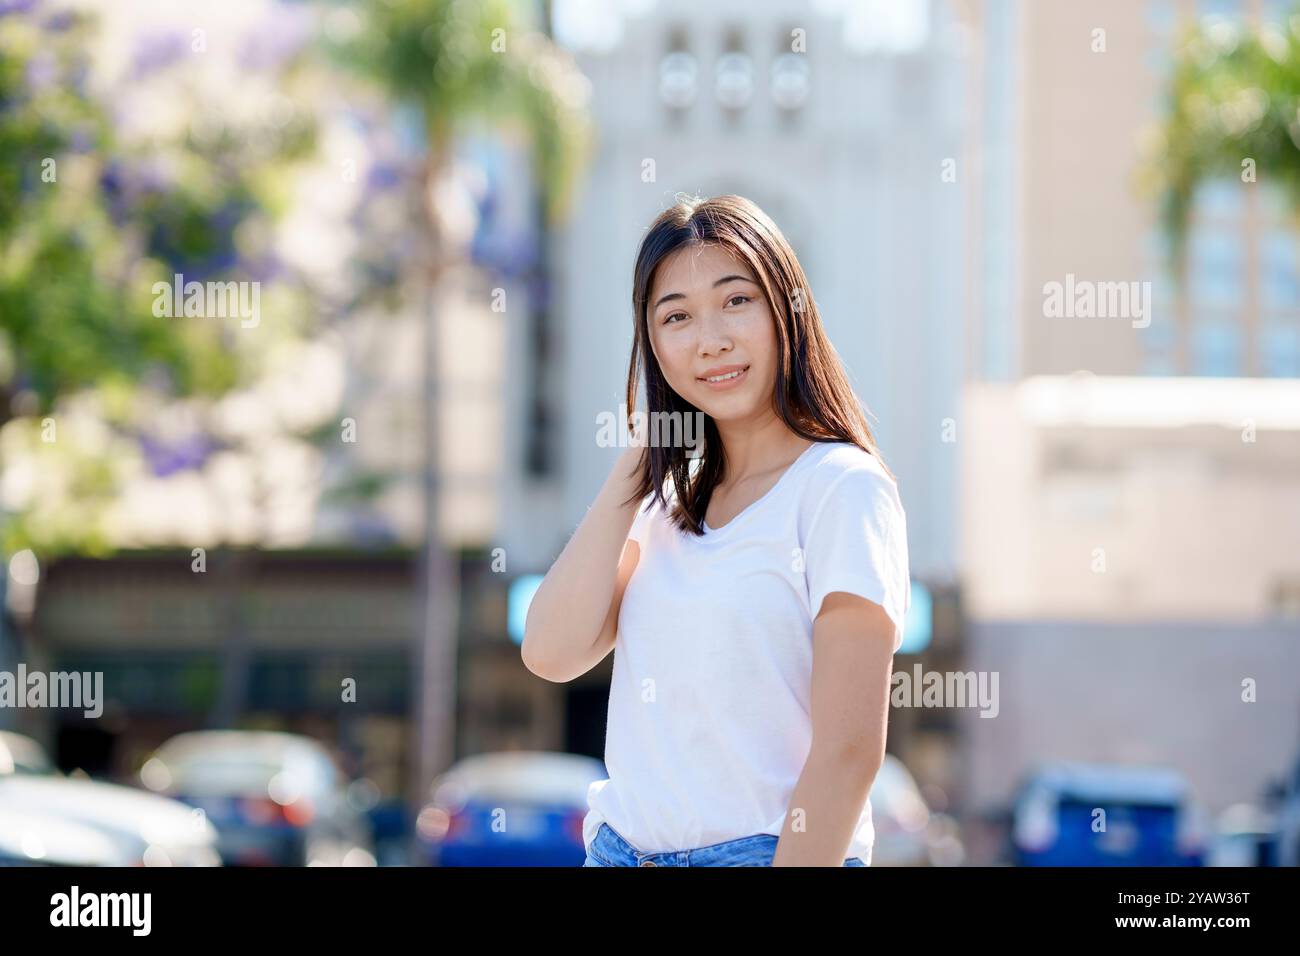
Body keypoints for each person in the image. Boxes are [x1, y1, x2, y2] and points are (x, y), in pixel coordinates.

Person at [522, 194, 911, 867]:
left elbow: (848, 754)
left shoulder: (842, 490)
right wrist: (636, 468)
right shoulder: (664, 501)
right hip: (619, 853)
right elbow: (551, 653)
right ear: (653, 345)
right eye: (676, 317)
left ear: (787, 309)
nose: (712, 339)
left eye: (737, 301)